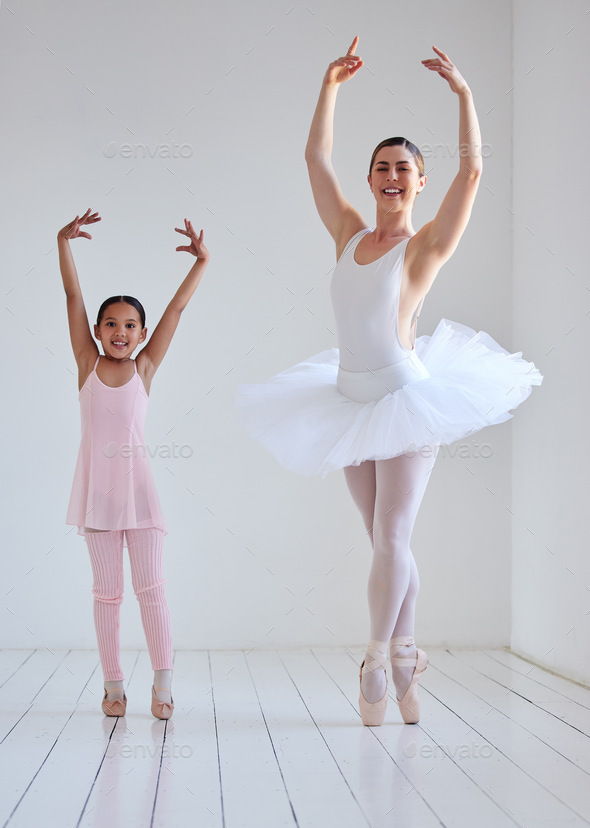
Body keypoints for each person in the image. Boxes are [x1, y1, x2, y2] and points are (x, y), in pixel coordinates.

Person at [236, 39, 543, 727]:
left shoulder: (423, 246)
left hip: (406, 402)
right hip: (347, 402)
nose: (391, 176)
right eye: (382, 168)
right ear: (371, 179)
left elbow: (472, 175)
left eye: (404, 168)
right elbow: (315, 161)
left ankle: (375, 660)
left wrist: (463, 97)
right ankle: (408, 658)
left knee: (394, 535)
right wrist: (329, 87)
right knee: (385, 542)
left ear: (417, 180)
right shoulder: (347, 232)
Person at [58, 209, 209, 719]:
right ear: (97, 332)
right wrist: (65, 244)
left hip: (140, 498)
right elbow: (73, 298)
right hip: (98, 498)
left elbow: (177, 311)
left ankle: (163, 684)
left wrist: (200, 262)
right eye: (111, 324)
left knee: (151, 590)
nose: (119, 332)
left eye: (129, 325)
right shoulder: (88, 364)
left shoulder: (145, 367)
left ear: (142, 334)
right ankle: (113, 686)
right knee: (107, 595)